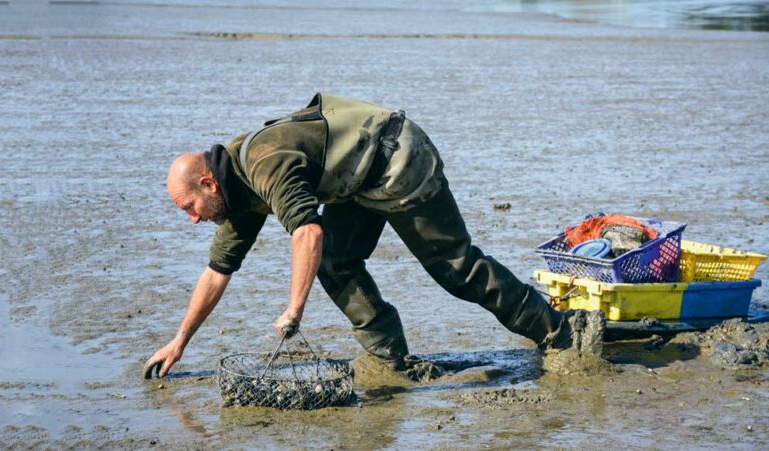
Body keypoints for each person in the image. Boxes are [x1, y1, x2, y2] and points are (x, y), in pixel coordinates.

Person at [143, 93, 603, 379]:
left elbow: (307, 231)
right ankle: (389, 356)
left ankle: (560, 333)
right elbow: (217, 271)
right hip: (356, 182)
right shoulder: (234, 195)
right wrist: (179, 341)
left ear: (208, 184)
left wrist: (294, 309)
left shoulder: (264, 163)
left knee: (454, 269)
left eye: (189, 208)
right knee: (335, 263)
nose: (193, 219)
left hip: (397, 157)